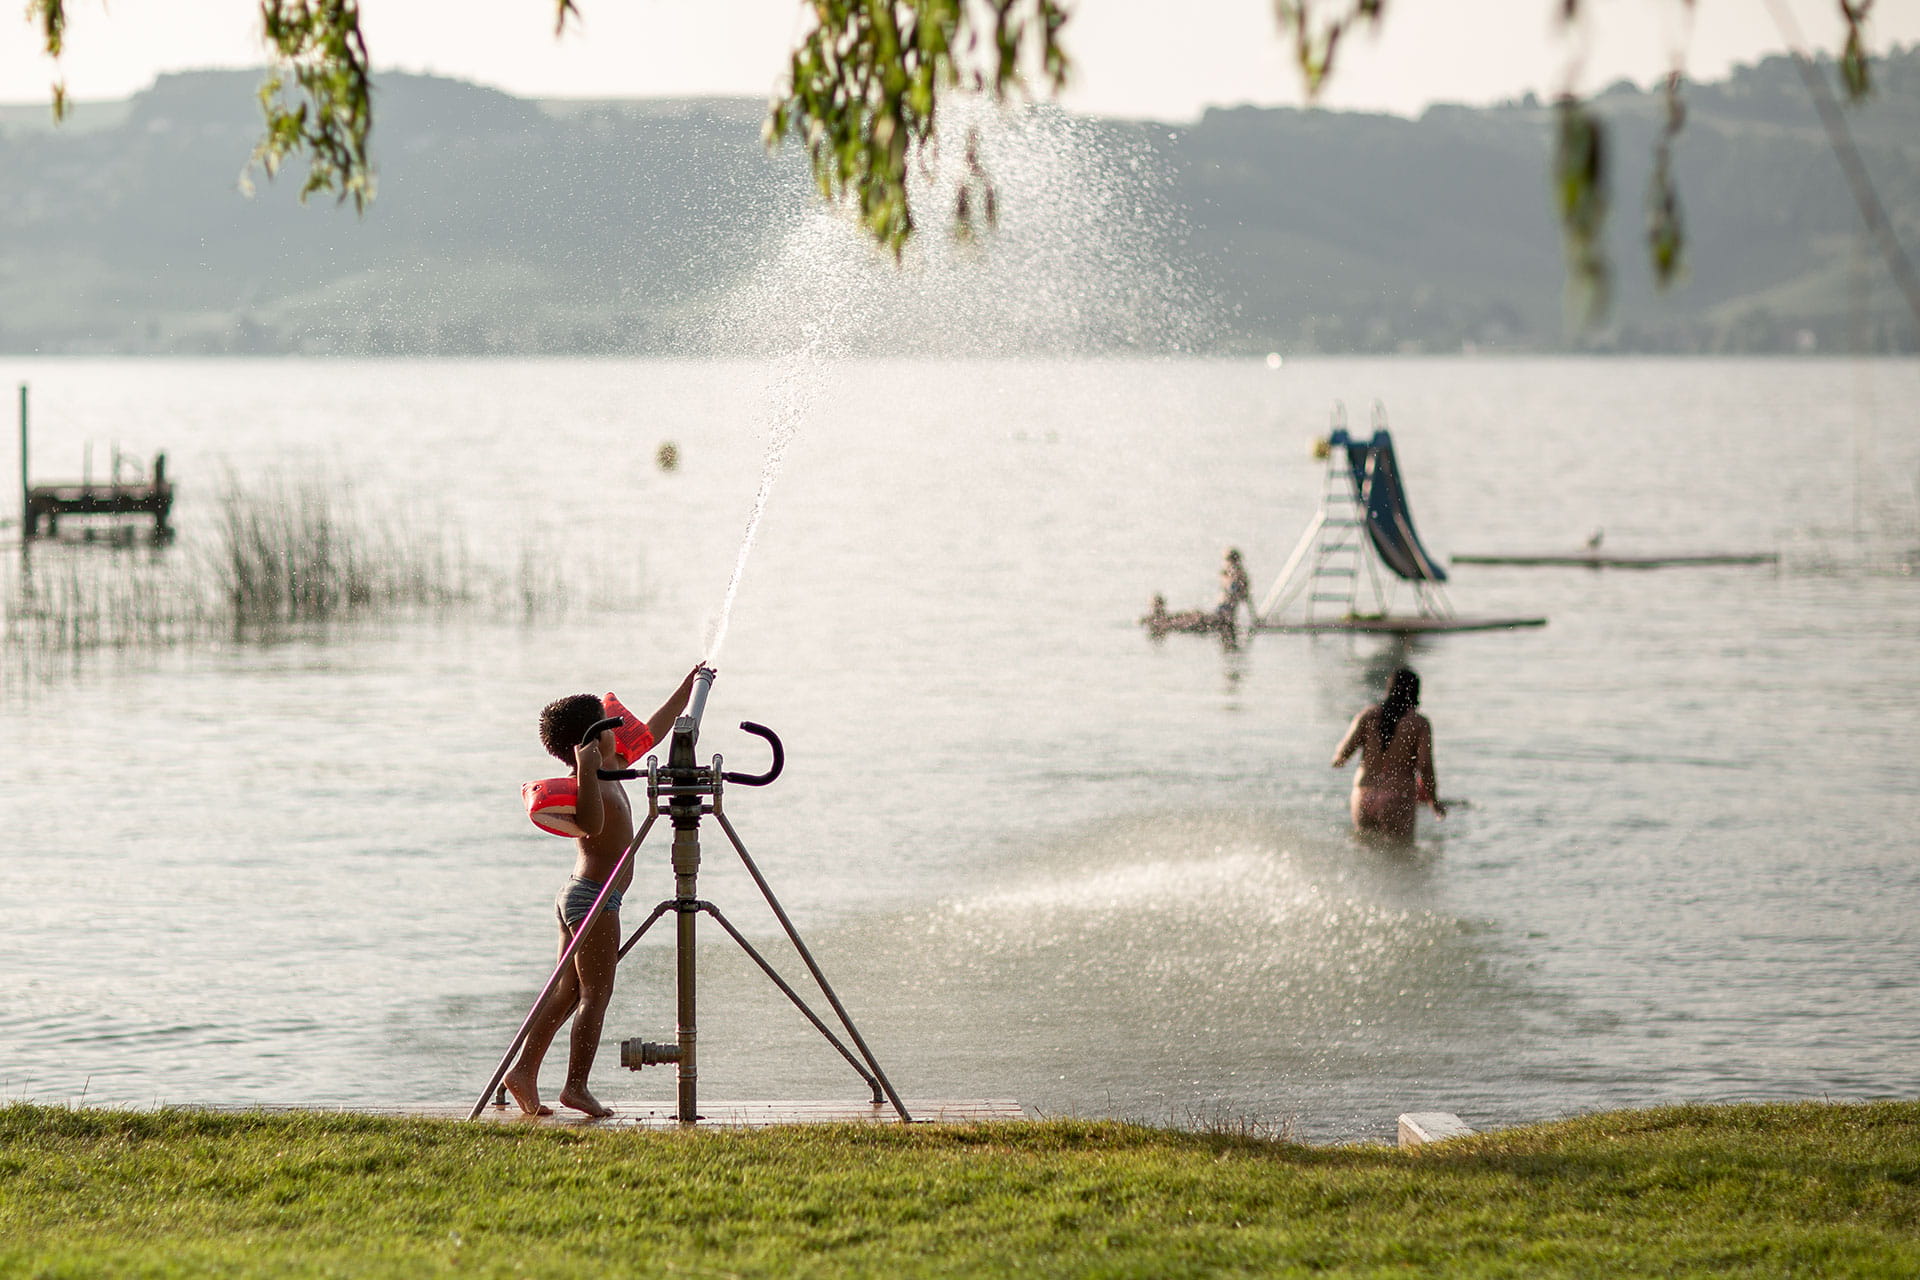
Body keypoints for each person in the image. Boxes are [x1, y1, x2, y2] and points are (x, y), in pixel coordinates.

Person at [502, 664, 706, 1117]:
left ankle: (523, 1073)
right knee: (595, 994)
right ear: (594, 739)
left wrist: (690, 685)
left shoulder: (613, 764)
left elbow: (654, 728)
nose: (621, 729)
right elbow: (591, 826)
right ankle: (576, 1087)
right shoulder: (588, 779)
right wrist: (587, 770)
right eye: (609, 724)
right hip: (592, 897)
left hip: (585, 895)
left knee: (566, 993)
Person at [1331, 666, 1445, 842]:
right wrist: (1434, 802)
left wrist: (1340, 758)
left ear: (1389, 689)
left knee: (1364, 854)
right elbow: (1425, 765)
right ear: (1415, 693)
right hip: (1397, 798)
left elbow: (1340, 757)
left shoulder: (1367, 716)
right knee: (1402, 857)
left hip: (1363, 795)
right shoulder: (1419, 724)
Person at [1215, 547, 1251, 631]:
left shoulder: (1236, 571)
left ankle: (1226, 625)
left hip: (1229, 600)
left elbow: (1239, 586)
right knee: (1223, 616)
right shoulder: (1230, 570)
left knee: (1225, 617)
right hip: (1227, 599)